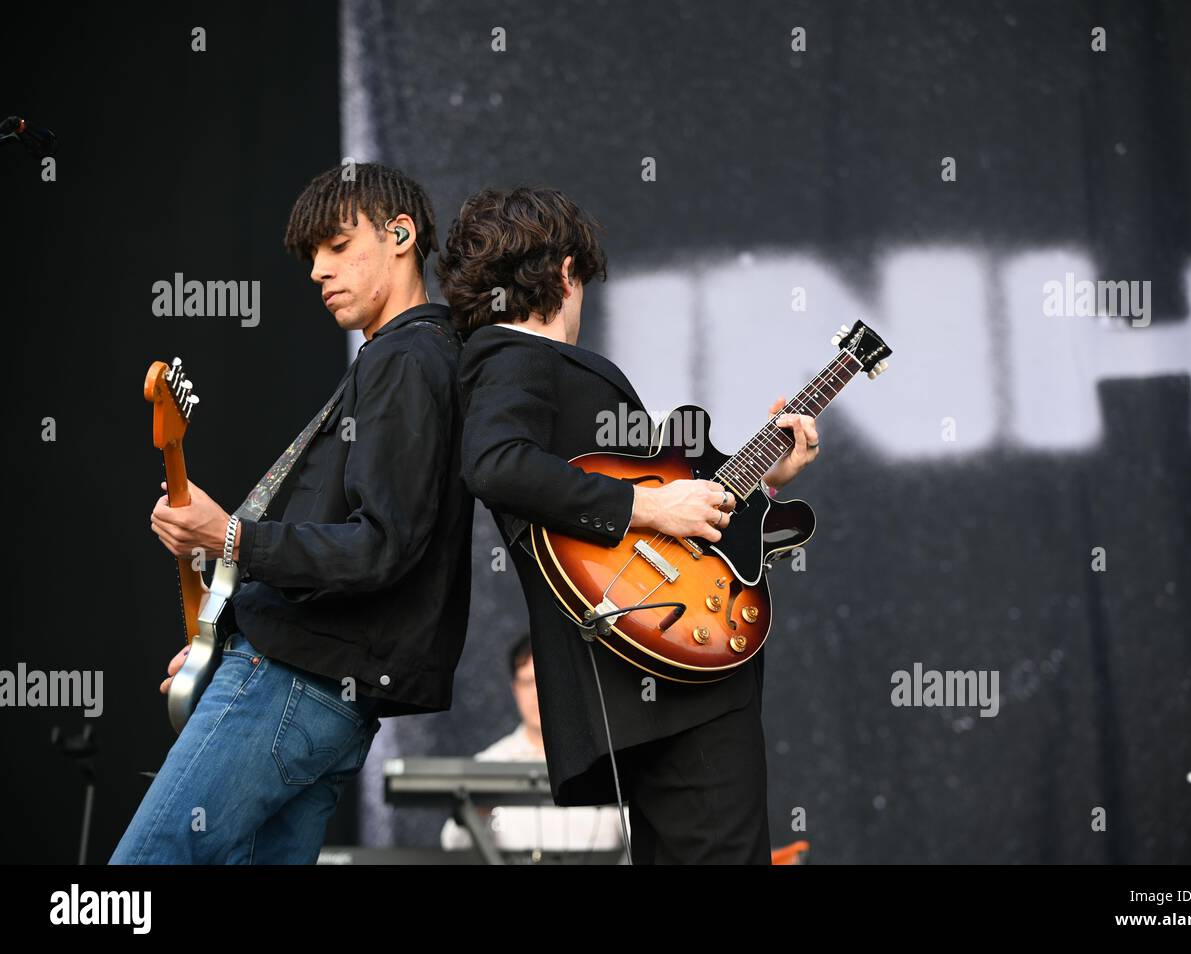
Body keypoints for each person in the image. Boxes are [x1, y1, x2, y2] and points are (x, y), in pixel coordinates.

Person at [442, 187, 821, 864]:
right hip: (663, 663)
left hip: (661, 658)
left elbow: (672, 511)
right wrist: (650, 507)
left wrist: (765, 480)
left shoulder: (521, 363)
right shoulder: (514, 355)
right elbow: (496, 465)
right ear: (565, 271)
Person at [111, 163, 474, 864]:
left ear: (400, 234)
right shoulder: (413, 357)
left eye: (337, 245)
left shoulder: (404, 360)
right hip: (326, 694)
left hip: (290, 685)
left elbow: (378, 547)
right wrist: (235, 633)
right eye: (312, 255)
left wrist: (230, 535)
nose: (317, 270)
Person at [440, 635, 626, 855]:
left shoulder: (606, 760)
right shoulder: (491, 763)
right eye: (528, 682)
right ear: (515, 690)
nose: (538, 694)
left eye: (547, 682)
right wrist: (478, 809)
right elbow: (452, 843)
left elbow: (639, 840)